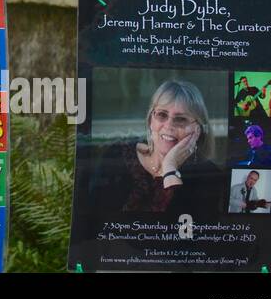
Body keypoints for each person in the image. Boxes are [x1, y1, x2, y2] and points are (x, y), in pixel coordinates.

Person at [86, 79, 223, 219]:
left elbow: (188, 235)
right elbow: (91, 218)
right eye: (162, 115)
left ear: (197, 129)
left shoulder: (209, 176)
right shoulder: (116, 154)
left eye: (181, 119)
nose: (169, 126)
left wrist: (170, 169)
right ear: (151, 120)